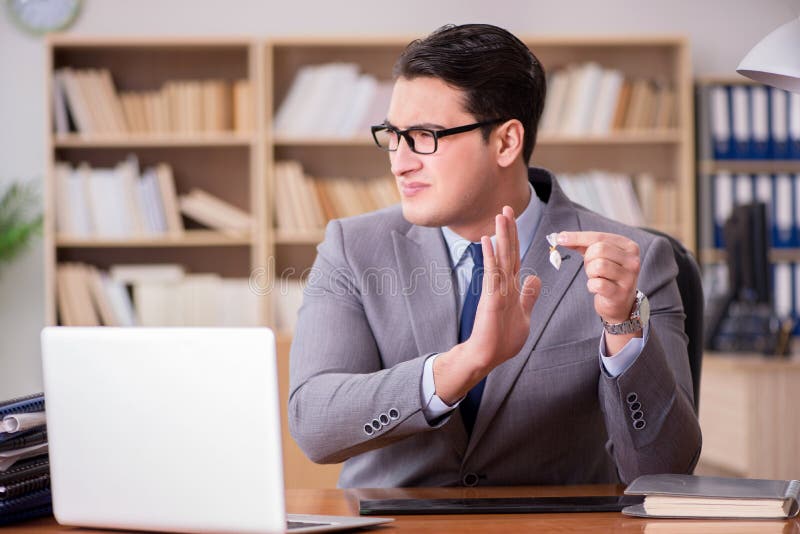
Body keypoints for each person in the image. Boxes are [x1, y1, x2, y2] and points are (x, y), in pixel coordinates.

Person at [288, 23, 701, 488]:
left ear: (506, 142)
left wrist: (623, 326)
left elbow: (665, 471)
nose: (399, 162)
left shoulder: (636, 260)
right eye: (393, 135)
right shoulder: (352, 247)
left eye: (425, 136)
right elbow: (315, 425)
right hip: (393, 523)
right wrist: (464, 363)